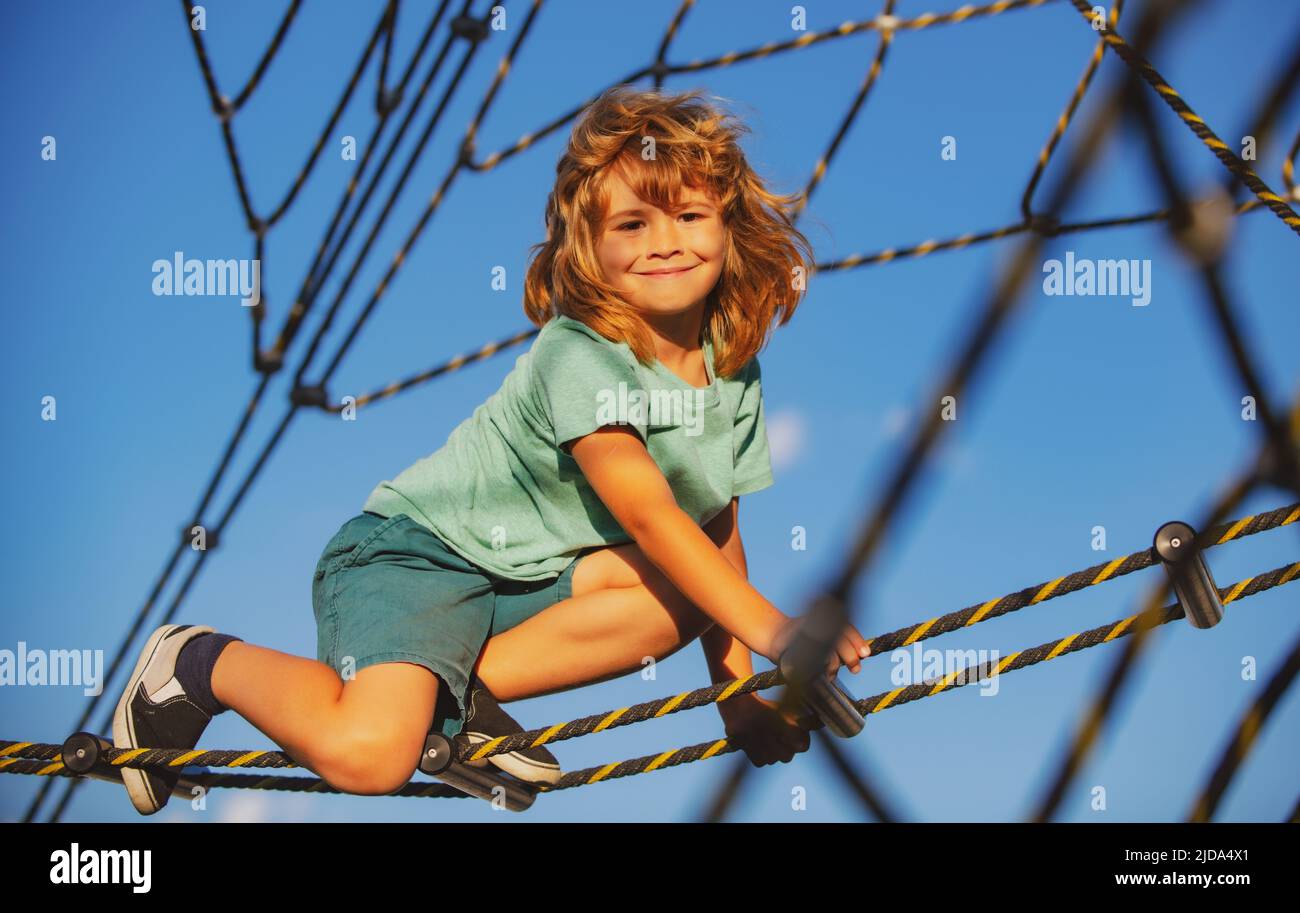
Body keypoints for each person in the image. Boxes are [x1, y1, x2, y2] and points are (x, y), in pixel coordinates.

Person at [112, 85, 871, 816]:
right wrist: (780, 633)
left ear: (728, 226)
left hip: (524, 588)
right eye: (632, 224)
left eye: (690, 214)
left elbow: (714, 531)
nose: (666, 241)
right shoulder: (580, 353)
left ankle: (455, 701)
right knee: (373, 754)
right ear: (589, 248)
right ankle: (198, 663)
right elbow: (649, 514)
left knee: (690, 589)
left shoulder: (730, 367)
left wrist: (736, 701)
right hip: (411, 558)